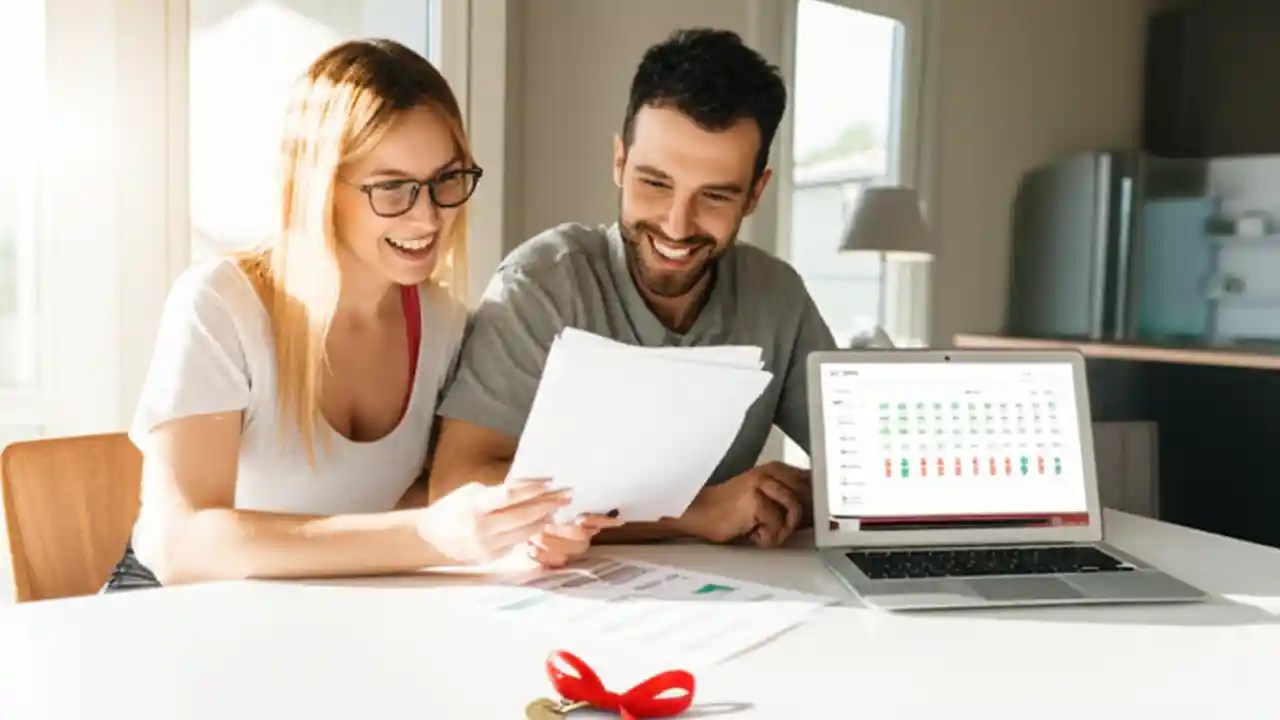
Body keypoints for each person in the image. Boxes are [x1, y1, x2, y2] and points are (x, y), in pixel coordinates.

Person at [105, 39, 618, 591]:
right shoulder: (219, 306)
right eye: (392, 188)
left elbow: (406, 502)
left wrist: (512, 526)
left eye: (447, 180)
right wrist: (430, 536)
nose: (428, 216)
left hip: (328, 609)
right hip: (170, 611)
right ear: (320, 190)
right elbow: (181, 545)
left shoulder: (443, 325)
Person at [428, 28, 837, 567]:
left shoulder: (776, 295)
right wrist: (697, 512)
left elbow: (866, 464)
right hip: (563, 595)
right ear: (619, 162)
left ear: (756, 192)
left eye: (715, 195)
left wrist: (799, 494)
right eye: (655, 183)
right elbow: (457, 487)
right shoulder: (542, 285)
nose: (676, 224)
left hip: (742, 596)